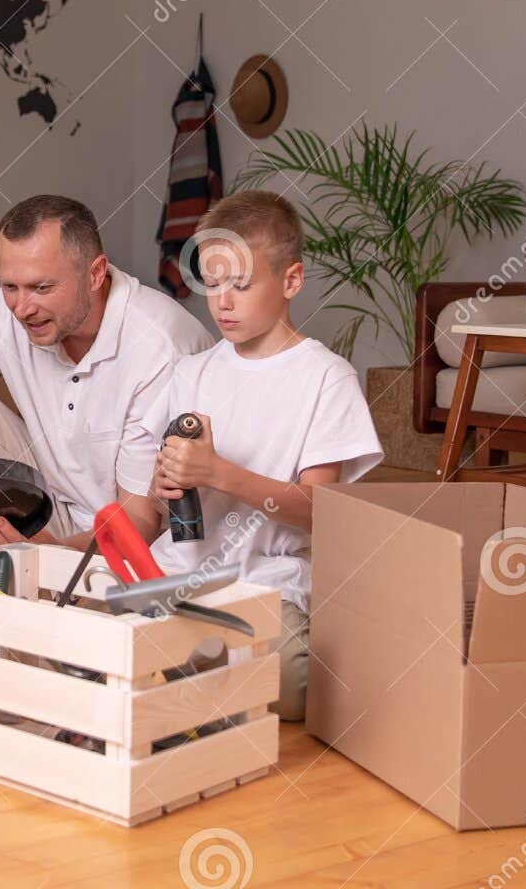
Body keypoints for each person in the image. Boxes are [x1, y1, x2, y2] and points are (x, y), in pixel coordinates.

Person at [148, 191, 384, 721]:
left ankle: (188, 679)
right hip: (179, 572)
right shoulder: (192, 372)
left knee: (294, 688)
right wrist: (165, 485)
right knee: (86, 637)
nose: (222, 303)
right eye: (212, 284)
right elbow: (161, 499)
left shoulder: (325, 378)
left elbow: (321, 511)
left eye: (241, 285)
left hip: (262, 583)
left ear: (291, 281)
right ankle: (191, 679)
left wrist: (221, 474)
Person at [0, 194, 213, 548]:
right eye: (9, 286)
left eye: (42, 288)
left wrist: (47, 555)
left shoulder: (158, 347)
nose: (22, 308)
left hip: (136, 544)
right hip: (51, 506)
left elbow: (139, 521)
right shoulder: (8, 310)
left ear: (95, 274)